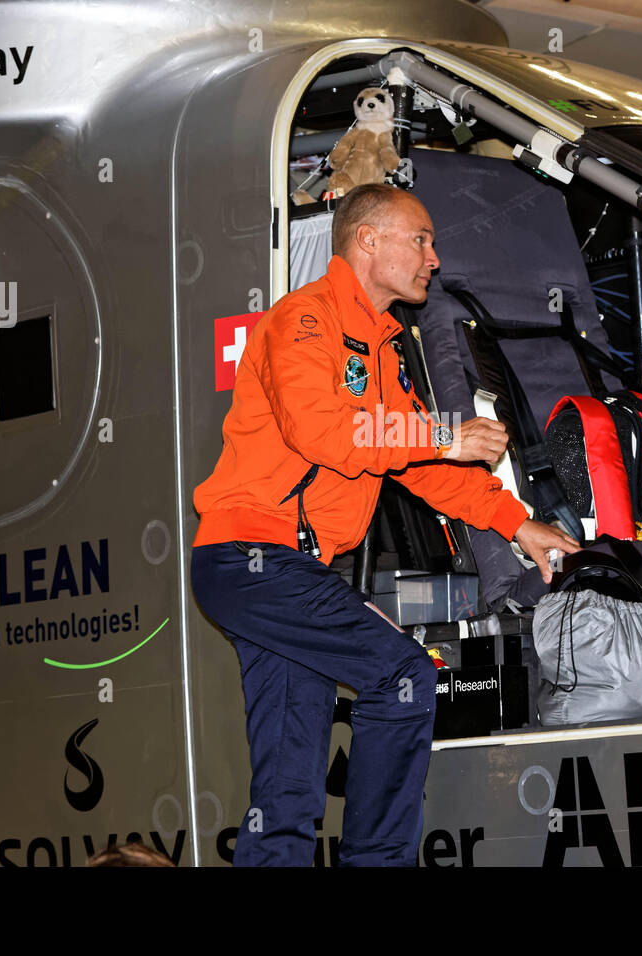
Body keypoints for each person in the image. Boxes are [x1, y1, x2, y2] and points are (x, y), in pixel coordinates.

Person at [190, 183, 580, 866]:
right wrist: (441, 432)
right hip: (251, 556)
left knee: (288, 776)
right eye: (421, 239)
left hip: (278, 568)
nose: (434, 257)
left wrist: (517, 525)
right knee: (402, 674)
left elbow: (417, 467)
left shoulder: (379, 347)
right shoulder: (303, 320)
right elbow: (324, 433)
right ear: (367, 240)